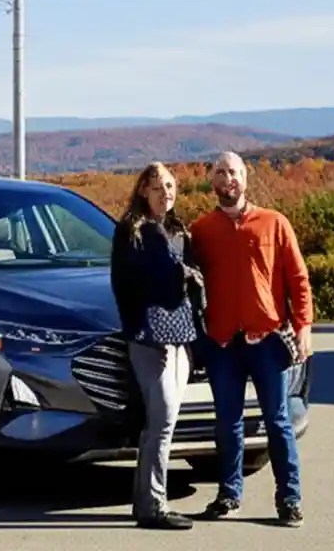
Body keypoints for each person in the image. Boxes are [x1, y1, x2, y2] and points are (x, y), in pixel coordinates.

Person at [189, 152, 313, 528]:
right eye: (221, 172)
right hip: (222, 341)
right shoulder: (201, 231)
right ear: (212, 180)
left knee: (277, 422)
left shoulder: (274, 223)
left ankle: (289, 499)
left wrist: (304, 327)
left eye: (234, 172)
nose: (228, 178)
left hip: (268, 340)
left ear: (246, 178)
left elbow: (298, 279)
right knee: (227, 422)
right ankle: (229, 496)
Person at [110, 162, 205, 531]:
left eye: (170, 185)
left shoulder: (178, 230)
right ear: (142, 191)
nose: (165, 191)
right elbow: (131, 285)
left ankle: (147, 502)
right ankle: (153, 506)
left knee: (166, 421)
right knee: (161, 420)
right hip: (150, 337)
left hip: (182, 335)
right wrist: (178, 276)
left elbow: (189, 282)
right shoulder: (132, 232)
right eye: (156, 186)